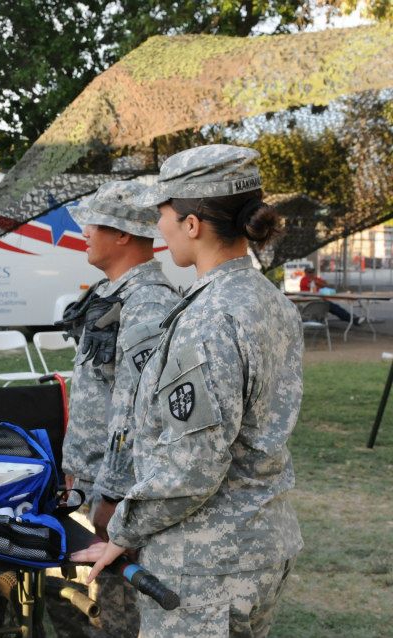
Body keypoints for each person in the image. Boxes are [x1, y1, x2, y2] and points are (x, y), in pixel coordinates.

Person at [72, 144, 303, 638]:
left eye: (163, 215)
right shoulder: (269, 300)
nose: (159, 228)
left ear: (192, 224)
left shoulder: (208, 318)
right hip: (260, 542)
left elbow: (192, 466)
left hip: (206, 564)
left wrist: (122, 530)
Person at [59, 180, 180, 637]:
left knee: (119, 615)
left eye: (94, 223)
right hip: (92, 483)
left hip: (119, 494)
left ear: (124, 233)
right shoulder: (113, 294)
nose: (85, 232)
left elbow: (137, 414)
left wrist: (111, 498)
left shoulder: (148, 302)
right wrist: (78, 473)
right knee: (80, 604)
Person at [299, 266, 365, 325]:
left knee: (336, 308)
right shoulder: (304, 280)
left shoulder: (316, 279)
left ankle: (353, 319)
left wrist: (317, 282)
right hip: (309, 302)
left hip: (319, 301)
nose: (311, 274)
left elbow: (326, 284)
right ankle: (353, 319)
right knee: (334, 307)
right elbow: (310, 285)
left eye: (312, 272)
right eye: (309, 272)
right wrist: (317, 283)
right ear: (306, 273)